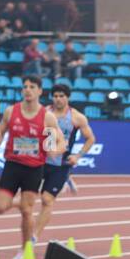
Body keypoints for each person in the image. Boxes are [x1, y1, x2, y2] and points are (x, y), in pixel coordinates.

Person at [0, 75, 66, 259]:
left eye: (32, 87)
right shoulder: (11, 111)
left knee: (27, 211)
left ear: (40, 91)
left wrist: (54, 150)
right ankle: (21, 202)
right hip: (12, 165)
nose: (28, 90)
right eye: (25, 87)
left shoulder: (47, 117)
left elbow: (60, 141)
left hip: (34, 169)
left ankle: (24, 249)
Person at [32, 83, 95, 244]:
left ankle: (34, 236)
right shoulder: (43, 112)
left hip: (60, 165)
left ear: (68, 97)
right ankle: (68, 179)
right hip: (40, 161)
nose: (58, 99)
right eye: (55, 96)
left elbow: (90, 138)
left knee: (47, 200)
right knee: (28, 197)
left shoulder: (76, 117)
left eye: (61, 96)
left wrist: (78, 156)